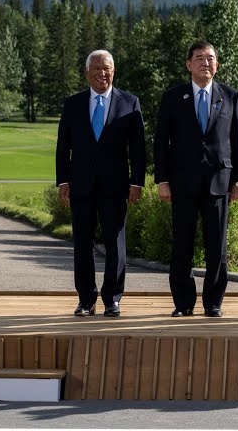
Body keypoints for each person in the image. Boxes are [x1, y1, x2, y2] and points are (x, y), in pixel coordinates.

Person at [154, 41, 238, 318]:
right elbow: (161, 142)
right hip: (182, 183)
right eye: (199, 58)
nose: (205, 63)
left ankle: (213, 303)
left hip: (219, 182)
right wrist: (162, 180)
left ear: (217, 64)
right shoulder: (173, 97)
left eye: (211, 59)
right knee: (182, 244)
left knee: (217, 247)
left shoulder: (231, 96)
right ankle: (183, 303)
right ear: (188, 64)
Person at [55, 50, 146, 318]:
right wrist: (62, 180)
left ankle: (112, 299)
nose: (101, 73)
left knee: (115, 243)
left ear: (114, 71)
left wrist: (137, 182)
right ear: (86, 72)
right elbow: (63, 146)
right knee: (82, 242)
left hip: (116, 186)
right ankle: (86, 300)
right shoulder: (73, 105)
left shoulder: (130, 103)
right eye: (96, 68)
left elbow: (138, 149)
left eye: (106, 68)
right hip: (80, 185)